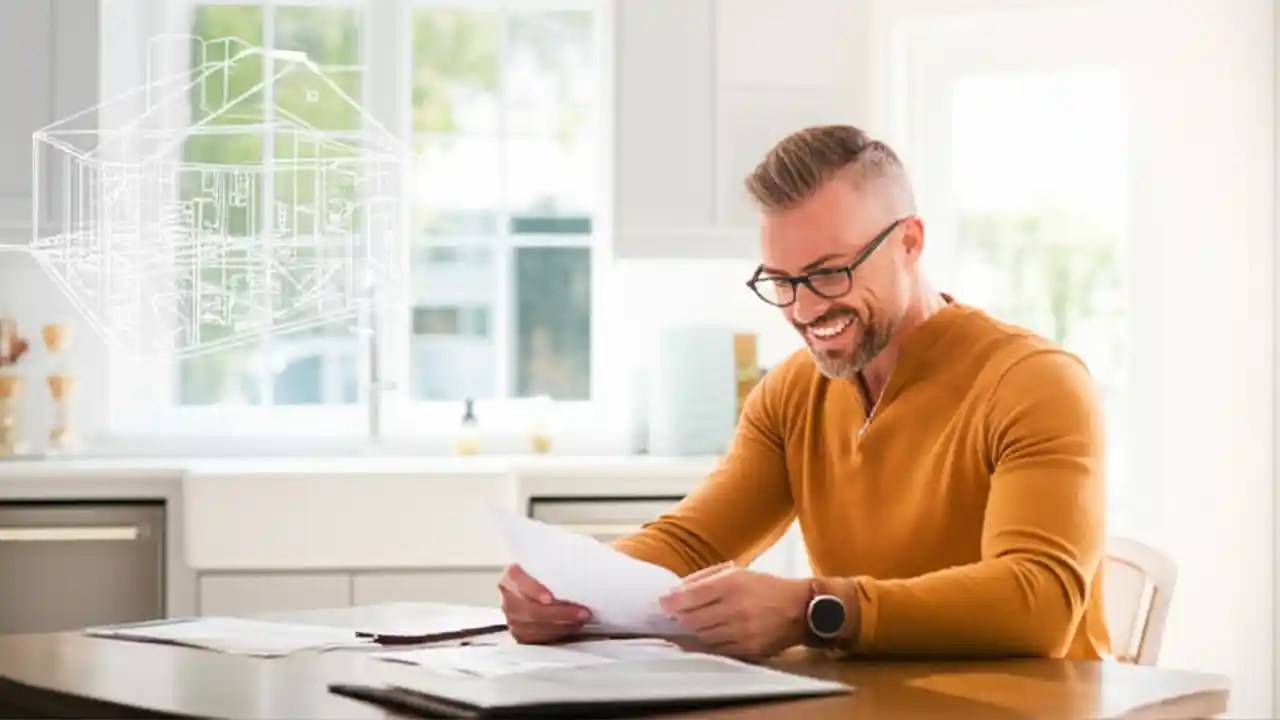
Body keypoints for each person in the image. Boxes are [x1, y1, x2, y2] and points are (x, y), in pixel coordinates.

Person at [498, 125, 1109, 661]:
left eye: (828, 273)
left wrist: (814, 610)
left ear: (910, 242)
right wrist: (571, 590)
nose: (805, 307)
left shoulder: (1034, 382)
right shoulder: (794, 390)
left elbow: (1040, 603)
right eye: (782, 281)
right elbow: (696, 541)